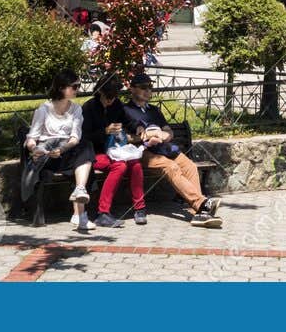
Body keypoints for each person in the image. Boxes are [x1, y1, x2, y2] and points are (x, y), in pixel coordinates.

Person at [122, 72, 222, 227]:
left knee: (190, 166)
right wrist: (145, 137)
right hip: (141, 152)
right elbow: (124, 138)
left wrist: (163, 135)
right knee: (171, 167)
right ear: (132, 89)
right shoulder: (125, 111)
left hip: (163, 148)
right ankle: (202, 204)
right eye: (143, 87)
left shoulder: (154, 110)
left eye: (150, 87)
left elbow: (169, 131)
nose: (148, 91)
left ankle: (199, 212)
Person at [23, 69, 96, 232]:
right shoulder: (44, 109)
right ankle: (80, 216)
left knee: (86, 147)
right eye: (74, 86)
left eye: (78, 86)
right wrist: (35, 149)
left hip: (65, 152)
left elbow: (75, 137)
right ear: (62, 88)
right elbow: (32, 138)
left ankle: (80, 192)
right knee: (86, 162)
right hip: (46, 155)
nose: (78, 89)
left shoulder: (76, 109)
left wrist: (62, 149)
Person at [80, 75, 144, 228]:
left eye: (114, 97)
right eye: (108, 97)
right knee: (120, 166)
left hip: (115, 150)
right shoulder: (89, 108)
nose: (111, 101)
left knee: (134, 163)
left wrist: (138, 127)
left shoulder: (116, 105)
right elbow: (84, 137)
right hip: (94, 153)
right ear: (100, 92)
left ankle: (140, 209)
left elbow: (128, 120)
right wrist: (105, 131)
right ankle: (103, 213)